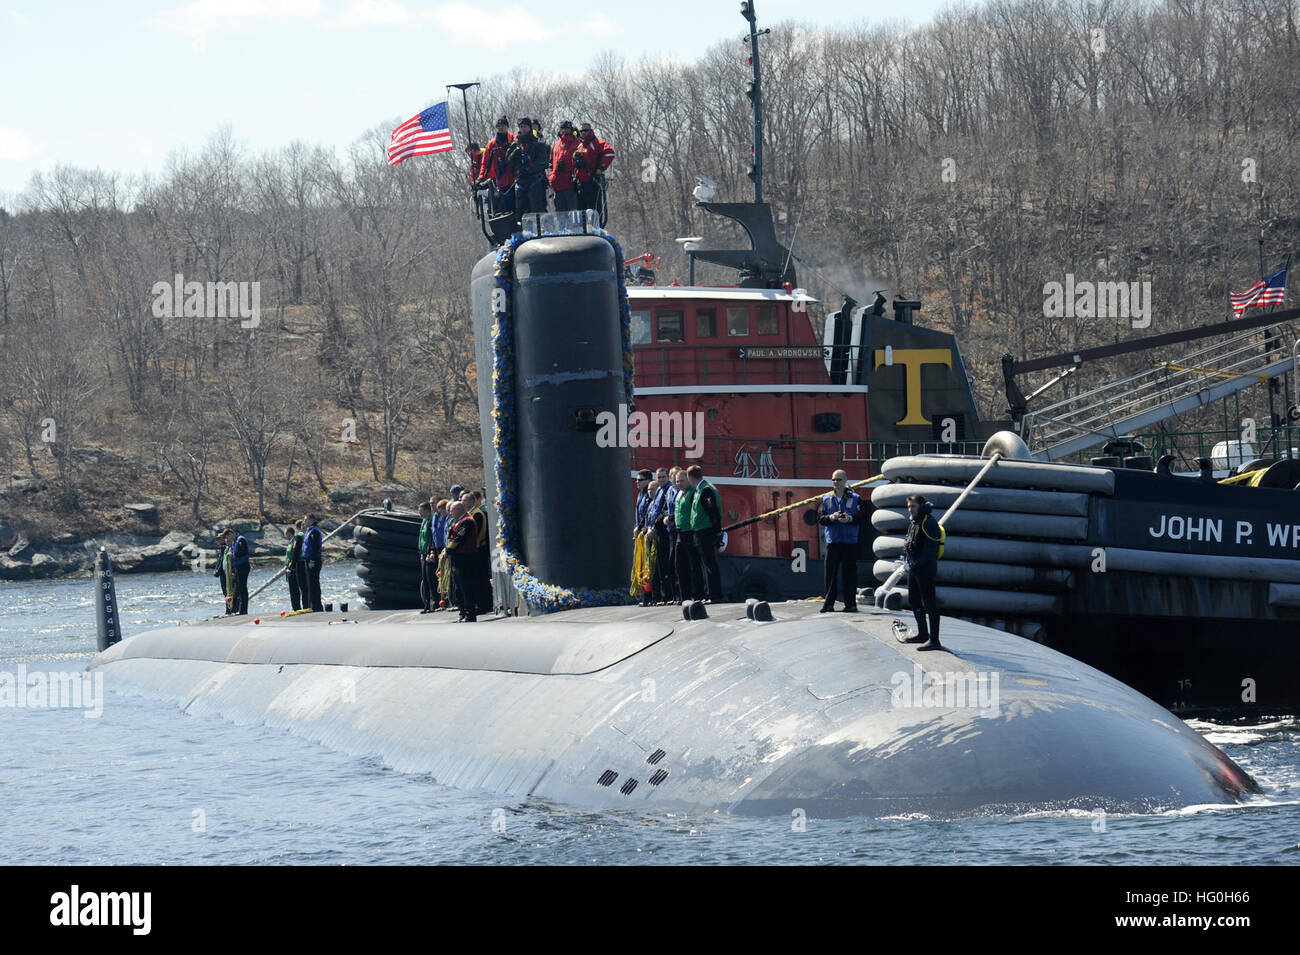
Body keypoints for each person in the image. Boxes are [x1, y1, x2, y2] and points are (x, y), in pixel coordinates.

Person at [818, 469, 864, 613]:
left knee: (849, 574)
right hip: (834, 542)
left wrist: (849, 519)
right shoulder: (826, 499)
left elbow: (862, 517)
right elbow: (821, 519)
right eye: (833, 480)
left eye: (838, 479)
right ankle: (829, 604)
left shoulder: (856, 498)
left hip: (850, 542)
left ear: (845, 480)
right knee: (831, 574)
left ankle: (850, 604)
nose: (835, 483)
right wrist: (832, 517)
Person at [902, 494, 943, 650]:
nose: (910, 509)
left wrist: (915, 565)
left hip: (925, 569)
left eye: (913, 506)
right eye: (909, 507)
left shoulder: (929, 522)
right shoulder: (914, 521)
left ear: (921, 506)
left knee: (930, 603)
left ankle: (934, 640)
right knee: (913, 599)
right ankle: (923, 634)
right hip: (914, 568)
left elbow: (930, 552)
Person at [687, 466, 723, 603]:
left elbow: (712, 512)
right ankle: (709, 593)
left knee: (709, 563)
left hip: (705, 531)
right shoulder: (700, 489)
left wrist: (717, 530)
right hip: (700, 531)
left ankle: (715, 594)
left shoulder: (705, 490)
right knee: (704, 563)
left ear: (690, 477)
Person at [507, 118, 550, 221]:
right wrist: (513, 155)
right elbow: (509, 164)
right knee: (520, 210)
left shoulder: (538, 143)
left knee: (537, 208)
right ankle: (523, 233)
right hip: (521, 182)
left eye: (525, 126)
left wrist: (528, 169)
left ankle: (542, 230)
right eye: (521, 127)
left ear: (530, 128)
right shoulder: (515, 145)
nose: (523, 129)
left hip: (535, 180)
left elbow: (543, 162)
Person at [444, 501, 478, 622]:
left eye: (452, 511)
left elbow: (459, 539)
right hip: (457, 558)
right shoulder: (457, 521)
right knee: (458, 587)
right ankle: (462, 612)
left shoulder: (467, 521)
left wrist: (448, 550)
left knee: (466, 587)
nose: (450, 513)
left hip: (465, 557)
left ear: (459, 509)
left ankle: (470, 614)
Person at [477, 116, 516, 215]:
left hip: (516, 179)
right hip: (502, 181)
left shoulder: (514, 139)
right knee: (506, 209)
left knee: (519, 207)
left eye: (503, 125)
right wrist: (481, 178)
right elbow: (485, 164)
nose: (501, 128)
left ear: (507, 127)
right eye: (498, 126)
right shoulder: (492, 144)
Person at [673, 470, 701, 601]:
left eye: (682, 481)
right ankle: (684, 596)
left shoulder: (692, 493)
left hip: (689, 532)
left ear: (688, 480)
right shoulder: (679, 494)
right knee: (679, 565)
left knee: (693, 565)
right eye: (677, 481)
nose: (679, 484)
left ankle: (697, 594)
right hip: (679, 533)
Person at [574, 122, 615, 213]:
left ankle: (596, 226)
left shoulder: (597, 143)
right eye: (581, 131)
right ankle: (584, 227)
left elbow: (610, 153)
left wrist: (600, 169)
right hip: (580, 184)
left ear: (590, 131)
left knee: (593, 211)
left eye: (586, 130)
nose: (583, 133)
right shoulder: (580, 146)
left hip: (592, 182)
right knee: (581, 213)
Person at [549, 121, 581, 212]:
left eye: (567, 129)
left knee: (573, 213)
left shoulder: (577, 143)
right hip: (557, 184)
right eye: (563, 129)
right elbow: (551, 163)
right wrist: (551, 178)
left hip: (570, 185)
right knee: (560, 213)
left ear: (571, 130)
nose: (565, 131)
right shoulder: (556, 144)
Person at [417, 501, 438, 613]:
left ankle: (434, 603)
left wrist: (431, 552)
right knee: (425, 580)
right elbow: (422, 538)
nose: (419, 513)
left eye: (421, 511)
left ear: (426, 510)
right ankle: (426, 604)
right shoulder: (424, 521)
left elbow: (431, 538)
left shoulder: (431, 521)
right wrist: (421, 552)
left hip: (429, 553)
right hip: (423, 553)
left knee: (431, 579)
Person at [301, 513, 324, 613]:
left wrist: (312, 560)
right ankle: (312, 605)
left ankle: (317, 606)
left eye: (306, 519)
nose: (304, 521)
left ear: (312, 520)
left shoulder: (314, 531)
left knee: (314, 583)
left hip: (313, 560)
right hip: (307, 560)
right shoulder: (308, 531)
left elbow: (315, 547)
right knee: (309, 584)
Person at [432, 498, 450, 610]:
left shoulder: (447, 518)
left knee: (448, 575)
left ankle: (448, 600)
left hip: (445, 547)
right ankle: (442, 599)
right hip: (438, 546)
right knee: (441, 575)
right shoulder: (436, 516)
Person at [284, 522, 305, 612]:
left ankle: (297, 607)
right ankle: (295, 607)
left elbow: (293, 554)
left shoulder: (294, 541)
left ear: (289, 533)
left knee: (295, 589)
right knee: (292, 589)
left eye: (286, 534)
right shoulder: (290, 543)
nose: (285, 536)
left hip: (292, 567)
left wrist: (290, 567)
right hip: (289, 566)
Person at [229, 528, 250, 615]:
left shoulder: (240, 539)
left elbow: (242, 551)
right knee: (239, 588)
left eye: (229, 535)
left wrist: (234, 555)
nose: (229, 537)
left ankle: (243, 609)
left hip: (243, 566)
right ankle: (240, 609)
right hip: (238, 566)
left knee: (242, 587)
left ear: (233, 534)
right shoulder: (234, 542)